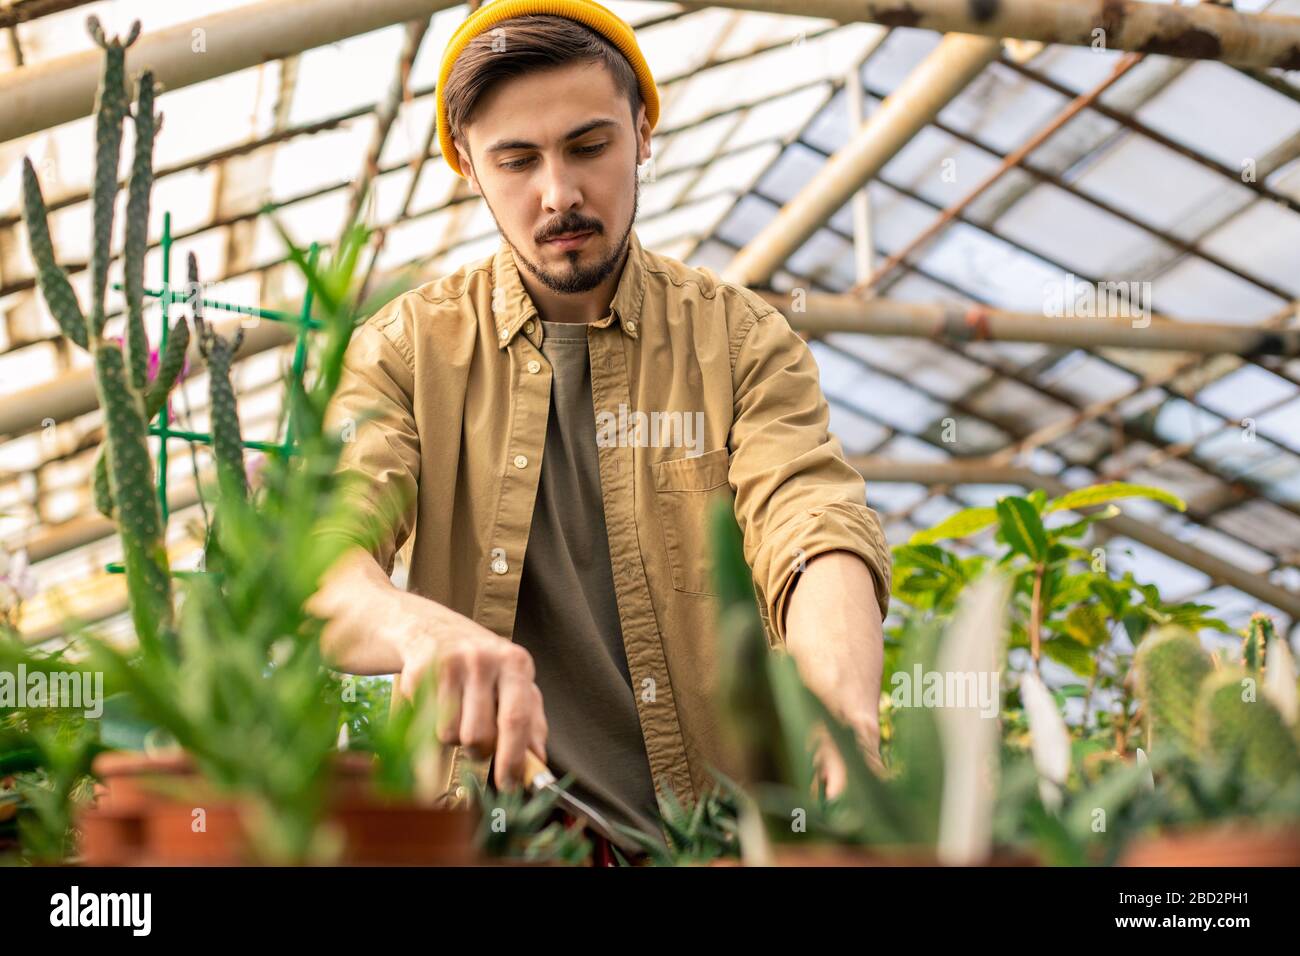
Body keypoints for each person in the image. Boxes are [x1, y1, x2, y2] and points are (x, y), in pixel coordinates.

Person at [307, 0, 893, 853]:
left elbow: (811, 524)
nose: (560, 194)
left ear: (643, 131)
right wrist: (415, 627)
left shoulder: (739, 340)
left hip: (717, 841)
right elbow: (322, 554)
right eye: (517, 160)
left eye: (590, 146)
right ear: (468, 163)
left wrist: (842, 719)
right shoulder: (403, 351)